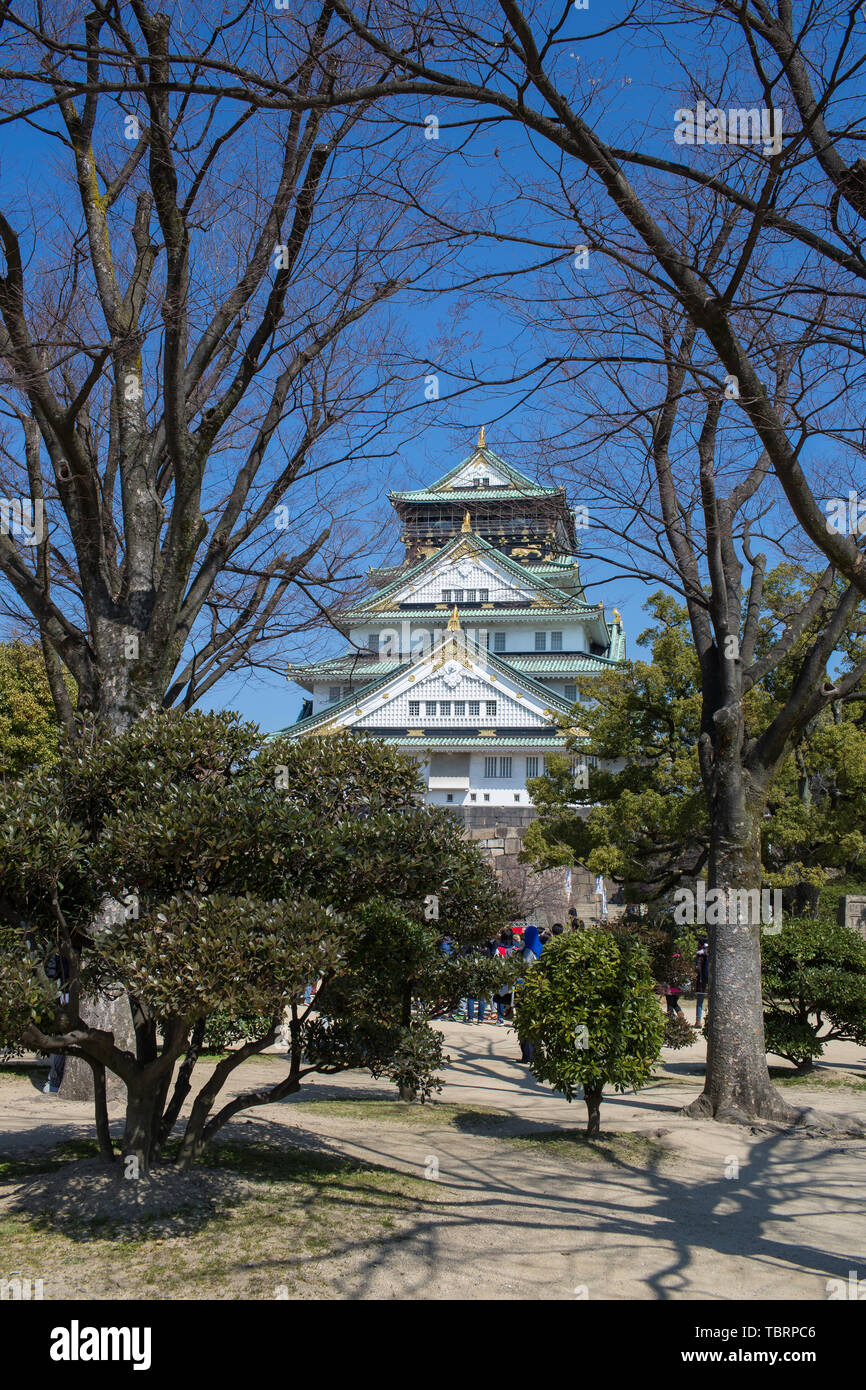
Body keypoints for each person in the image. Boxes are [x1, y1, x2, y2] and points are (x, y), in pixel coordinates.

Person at [517, 926, 544, 1061]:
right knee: (536, 1023)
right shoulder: (541, 949)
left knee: (525, 1023)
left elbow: (524, 969)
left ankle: (528, 1054)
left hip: (525, 990)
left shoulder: (528, 951)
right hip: (538, 990)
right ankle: (536, 1052)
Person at [694, 939, 709, 1027]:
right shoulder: (713, 951)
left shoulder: (701, 953)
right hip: (712, 981)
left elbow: (698, 967)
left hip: (702, 980)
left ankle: (698, 1021)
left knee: (700, 1001)